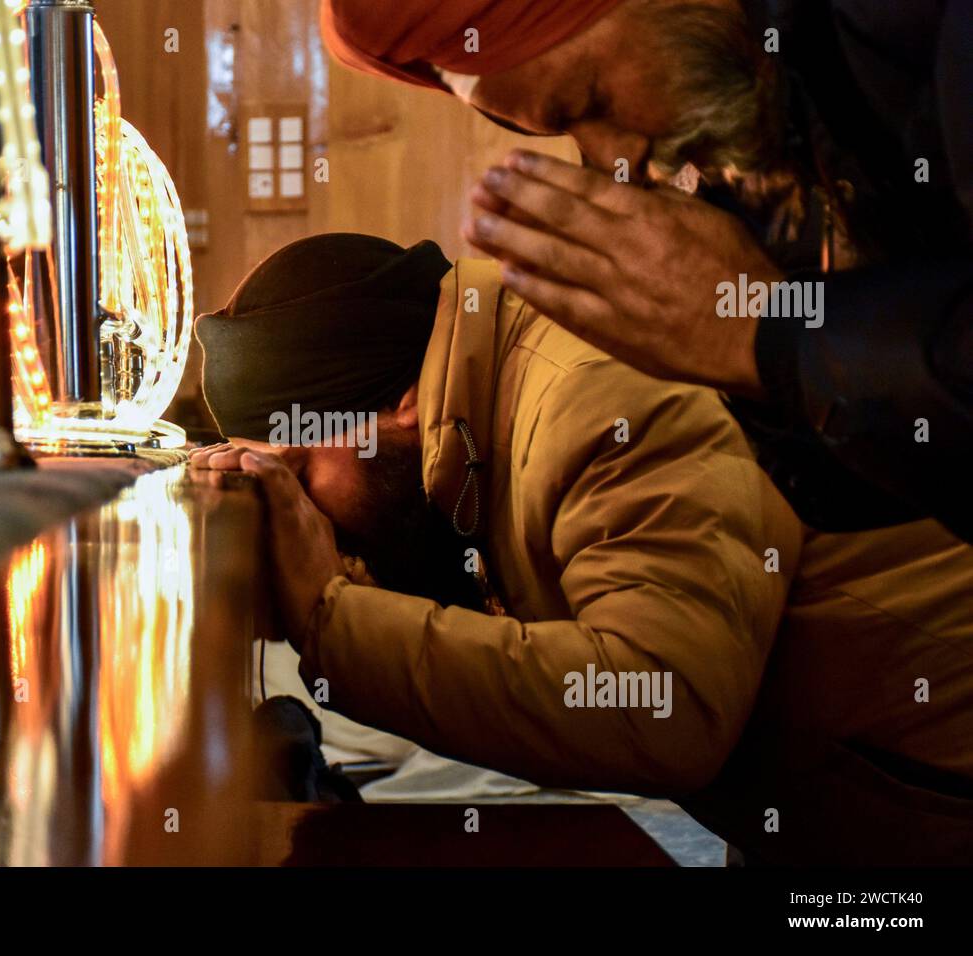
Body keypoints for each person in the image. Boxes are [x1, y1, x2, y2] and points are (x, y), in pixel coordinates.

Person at [191, 232, 973, 863]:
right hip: (833, 799)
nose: (299, 505)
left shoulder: (601, 399)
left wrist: (331, 617)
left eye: (298, 465)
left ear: (398, 406)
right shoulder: (464, 411)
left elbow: (666, 701)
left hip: (932, 796)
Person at [320, 0, 973, 544]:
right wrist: (760, 366)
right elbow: (873, 490)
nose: (617, 159)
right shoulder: (760, 119)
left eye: (591, 99)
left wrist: (766, 335)